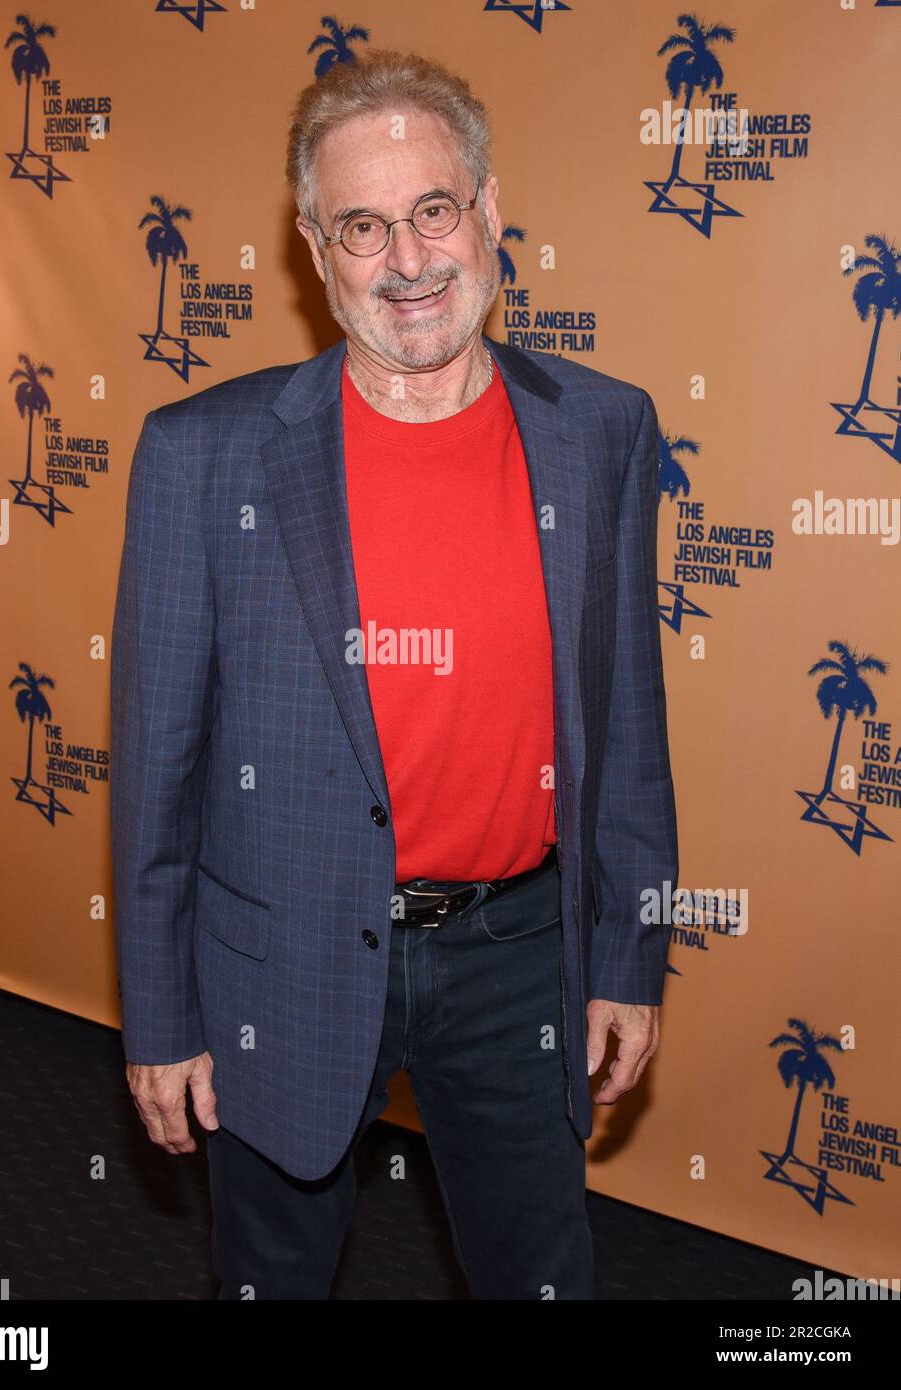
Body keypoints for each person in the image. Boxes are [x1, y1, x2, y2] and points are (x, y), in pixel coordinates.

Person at [110, 49, 678, 1301]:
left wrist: (629, 951)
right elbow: (157, 768)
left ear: (487, 211)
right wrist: (158, 1019)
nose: (407, 259)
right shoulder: (202, 457)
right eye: (362, 227)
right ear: (318, 256)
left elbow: (625, 713)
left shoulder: (600, 430)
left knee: (543, 1274)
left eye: (432, 210)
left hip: (518, 950)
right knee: (271, 1278)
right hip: (283, 953)